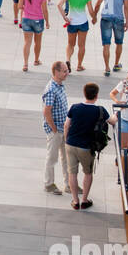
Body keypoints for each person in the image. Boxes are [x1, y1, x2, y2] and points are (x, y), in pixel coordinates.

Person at [63, 83, 109, 210]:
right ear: (96, 95)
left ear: (84, 94)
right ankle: (84, 200)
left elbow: (66, 125)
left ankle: (75, 201)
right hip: (86, 147)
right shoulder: (99, 110)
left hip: (71, 144)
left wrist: (67, 140)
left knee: (72, 173)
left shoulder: (75, 107)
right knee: (87, 173)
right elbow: (112, 121)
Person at [93, 0, 128, 77]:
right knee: (119, 42)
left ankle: (107, 68)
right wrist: (127, 21)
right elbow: (126, 7)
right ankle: (116, 63)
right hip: (119, 18)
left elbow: (98, 3)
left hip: (106, 17)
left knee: (106, 44)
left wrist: (94, 16)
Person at [41, 62, 70, 194]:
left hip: (63, 128)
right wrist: (53, 129)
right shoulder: (51, 89)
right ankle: (49, 184)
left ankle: (69, 184)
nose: (67, 72)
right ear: (56, 72)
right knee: (52, 158)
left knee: (67, 158)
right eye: (64, 71)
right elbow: (47, 111)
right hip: (56, 130)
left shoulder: (60, 86)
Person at [58, 0, 95, 72]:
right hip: (83, 22)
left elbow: (59, 5)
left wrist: (64, 16)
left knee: (70, 44)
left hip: (71, 22)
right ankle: (79, 65)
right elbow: (91, 10)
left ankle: (68, 60)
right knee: (81, 45)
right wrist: (94, 18)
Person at [18, 0, 49, 72]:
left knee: (27, 42)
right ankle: (36, 60)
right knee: (37, 41)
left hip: (26, 19)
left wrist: (26, 9)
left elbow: (19, 6)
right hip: (38, 20)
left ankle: (25, 64)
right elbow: (45, 10)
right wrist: (47, 21)